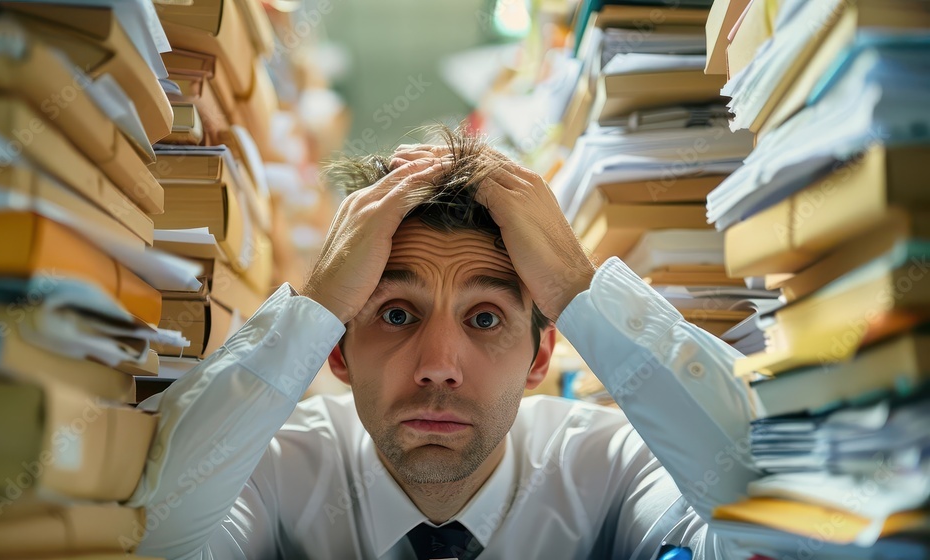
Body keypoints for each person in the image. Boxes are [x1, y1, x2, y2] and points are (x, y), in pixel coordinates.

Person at [127, 128, 761, 559]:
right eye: (397, 315)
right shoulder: (271, 471)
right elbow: (144, 539)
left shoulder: (612, 469)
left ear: (540, 356)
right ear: (338, 352)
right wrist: (314, 306)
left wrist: (576, 286)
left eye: (485, 319)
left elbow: (781, 521)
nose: (438, 368)